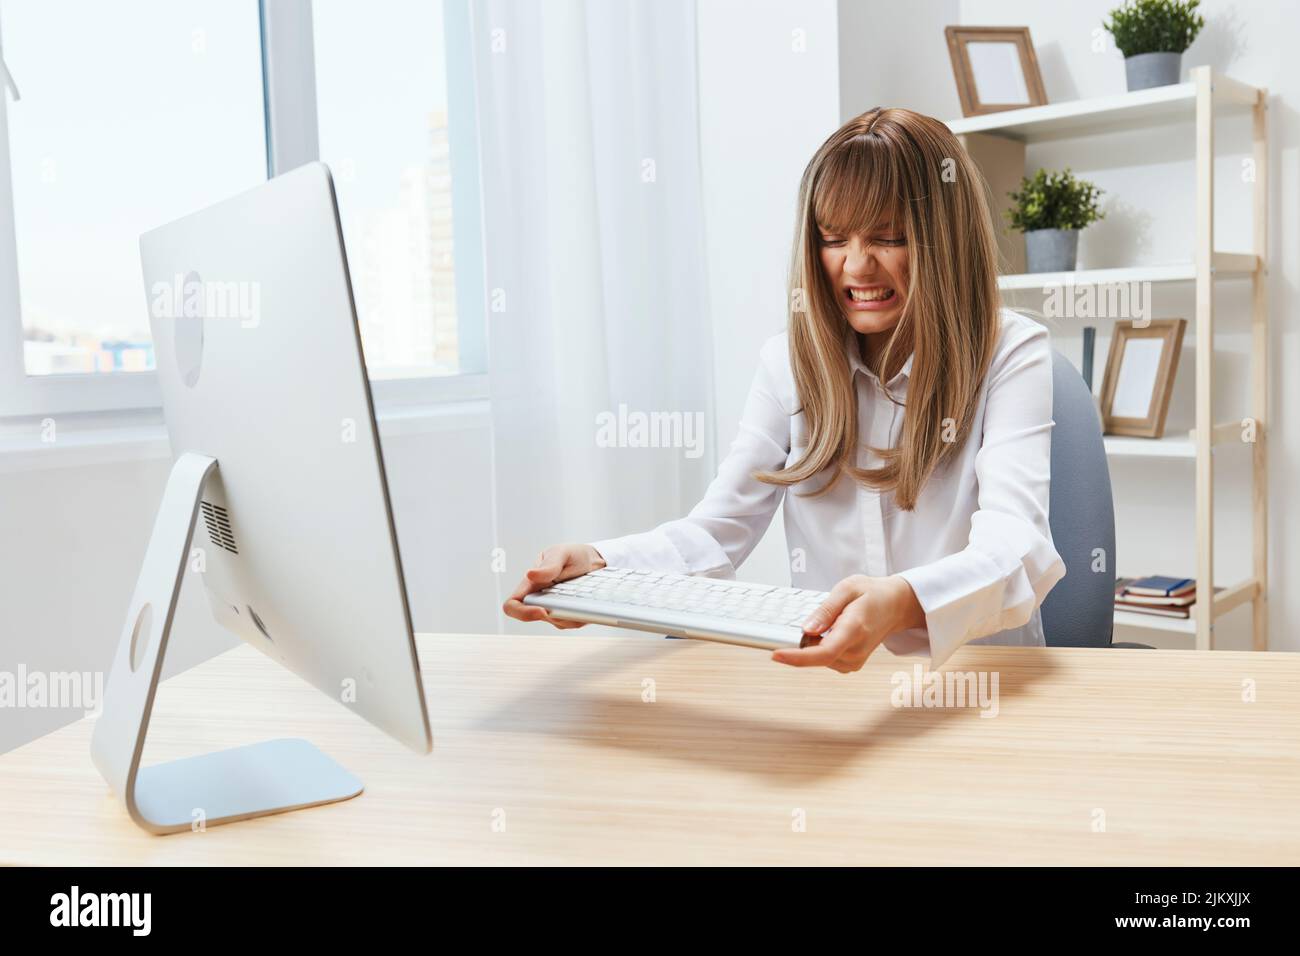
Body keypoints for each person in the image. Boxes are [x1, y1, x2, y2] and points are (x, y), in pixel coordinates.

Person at [503, 106, 1066, 674]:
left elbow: (1016, 548)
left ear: (945, 239)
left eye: (888, 237)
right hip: (835, 686)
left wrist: (902, 602)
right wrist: (602, 565)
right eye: (833, 239)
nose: (856, 266)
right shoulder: (786, 364)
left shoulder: (1010, 352)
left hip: (981, 681)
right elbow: (717, 533)